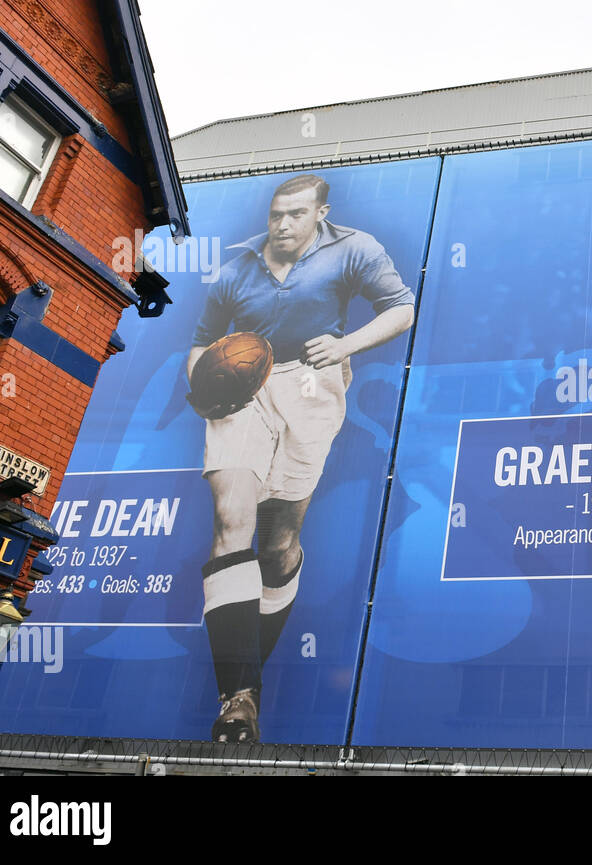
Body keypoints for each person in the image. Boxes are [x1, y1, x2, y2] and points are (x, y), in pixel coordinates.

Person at [187, 173, 414, 743]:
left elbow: (400, 307)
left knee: (279, 538)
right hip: (244, 388)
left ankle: (249, 675)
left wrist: (345, 345)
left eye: (295, 215)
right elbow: (201, 340)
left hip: (314, 386)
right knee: (231, 517)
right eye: (275, 214)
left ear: (321, 214)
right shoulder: (236, 267)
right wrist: (204, 381)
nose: (282, 225)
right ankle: (237, 697)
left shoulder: (355, 248)